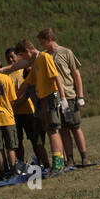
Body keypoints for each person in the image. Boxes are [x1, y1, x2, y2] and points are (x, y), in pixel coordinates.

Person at [14, 38, 67, 172]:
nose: (24, 60)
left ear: (27, 51)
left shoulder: (44, 57)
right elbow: (26, 83)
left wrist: (63, 98)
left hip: (50, 97)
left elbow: (56, 77)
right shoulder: (36, 62)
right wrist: (12, 99)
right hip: (43, 99)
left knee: (53, 131)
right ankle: (60, 163)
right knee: (51, 131)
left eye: (23, 56)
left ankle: (57, 165)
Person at [39, 27, 88, 165]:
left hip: (69, 95)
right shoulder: (45, 56)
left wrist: (80, 95)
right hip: (55, 98)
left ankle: (84, 156)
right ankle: (70, 159)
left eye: (42, 42)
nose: (41, 45)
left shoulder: (66, 52)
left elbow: (76, 74)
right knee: (63, 130)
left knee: (75, 127)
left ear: (49, 40)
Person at [7, 46, 47, 170]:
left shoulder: (25, 70)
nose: (10, 60)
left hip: (28, 110)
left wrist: (17, 101)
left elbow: (28, 90)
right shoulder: (8, 74)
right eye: (8, 58)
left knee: (35, 139)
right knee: (17, 142)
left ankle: (41, 161)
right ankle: (21, 164)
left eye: (12, 57)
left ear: (18, 57)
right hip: (15, 113)